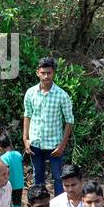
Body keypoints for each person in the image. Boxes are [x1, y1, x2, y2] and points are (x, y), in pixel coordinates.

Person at [22, 57, 75, 189]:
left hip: (54, 145)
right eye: (43, 73)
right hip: (35, 143)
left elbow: (69, 121)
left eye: (49, 73)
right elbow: (27, 116)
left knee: (58, 177)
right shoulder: (30, 93)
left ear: (54, 73)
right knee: (38, 176)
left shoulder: (62, 95)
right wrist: (25, 139)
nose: (46, 76)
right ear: (37, 73)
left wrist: (62, 145)